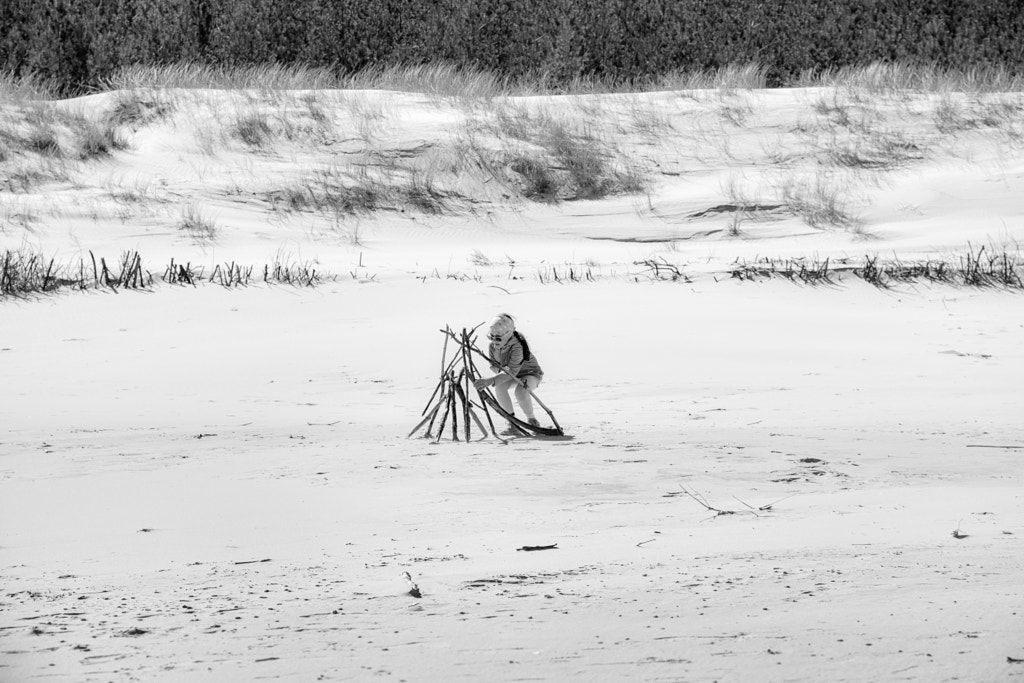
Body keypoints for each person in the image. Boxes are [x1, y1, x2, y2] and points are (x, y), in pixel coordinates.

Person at [473, 313, 544, 433]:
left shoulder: (517, 347)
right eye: (492, 337)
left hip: (530, 373)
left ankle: (531, 419)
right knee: (499, 387)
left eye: (498, 338)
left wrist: (491, 380)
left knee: (521, 391)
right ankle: (512, 422)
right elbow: (494, 366)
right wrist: (496, 372)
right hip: (511, 373)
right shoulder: (493, 346)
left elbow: (512, 371)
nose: (494, 341)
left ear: (508, 335)